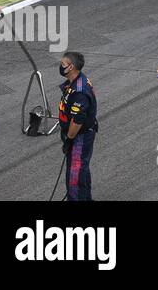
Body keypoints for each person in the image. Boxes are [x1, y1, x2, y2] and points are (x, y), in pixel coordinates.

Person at [57, 51, 97, 201]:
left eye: (62, 64)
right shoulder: (75, 81)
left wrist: (69, 139)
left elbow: (77, 120)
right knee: (81, 170)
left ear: (71, 67)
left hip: (79, 136)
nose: (60, 67)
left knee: (75, 174)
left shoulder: (79, 90)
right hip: (78, 134)